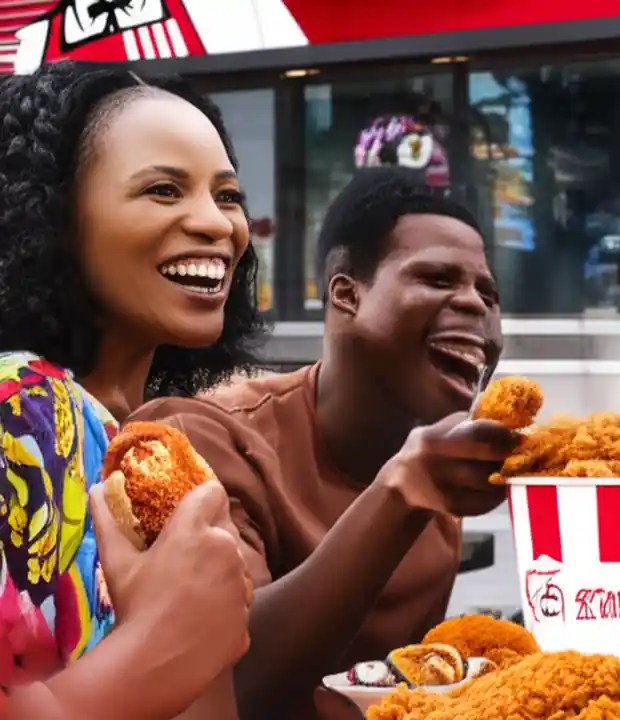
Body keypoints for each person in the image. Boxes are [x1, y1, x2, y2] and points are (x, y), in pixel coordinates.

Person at [132, 166, 518, 720]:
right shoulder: (199, 438)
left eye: (489, 293)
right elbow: (226, 686)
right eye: (437, 279)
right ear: (346, 294)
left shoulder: (440, 492)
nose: (476, 306)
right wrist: (399, 496)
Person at [0, 61, 263, 719]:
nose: (217, 225)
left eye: (227, 195)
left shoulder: (143, 446)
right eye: (164, 190)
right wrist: (160, 645)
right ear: (53, 216)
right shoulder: (26, 408)